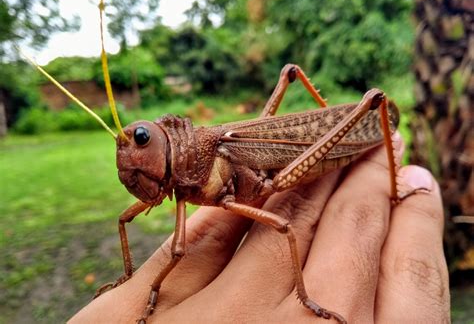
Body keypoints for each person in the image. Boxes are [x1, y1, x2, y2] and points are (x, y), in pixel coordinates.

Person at [70, 134, 450, 323]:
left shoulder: (207, 151)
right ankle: (127, 279)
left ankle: (306, 299)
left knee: (282, 226)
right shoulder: (184, 186)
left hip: (289, 165)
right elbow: (127, 221)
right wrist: (131, 278)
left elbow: (283, 227)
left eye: (140, 141)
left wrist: (154, 291)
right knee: (125, 217)